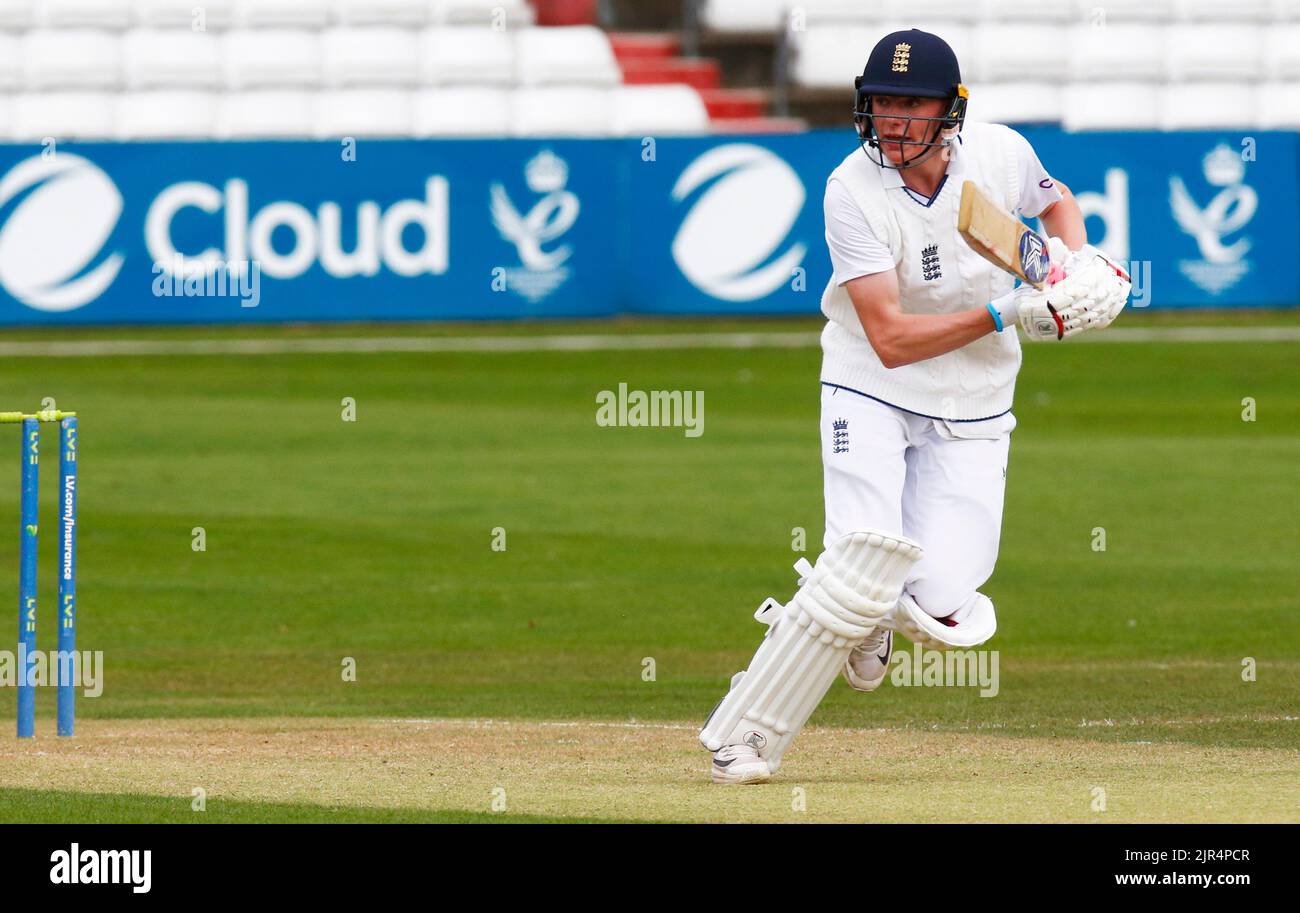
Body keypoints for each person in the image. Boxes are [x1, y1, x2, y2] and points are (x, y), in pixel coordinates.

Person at [700, 29, 1131, 784]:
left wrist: (1078, 257)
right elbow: (892, 339)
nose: (893, 121)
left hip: (977, 398)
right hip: (874, 381)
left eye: (911, 104)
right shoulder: (850, 189)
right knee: (858, 563)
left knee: (944, 599)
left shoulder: (999, 153)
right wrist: (1008, 314)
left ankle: (872, 617)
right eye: (882, 103)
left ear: (950, 112)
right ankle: (745, 733)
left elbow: (1054, 200)